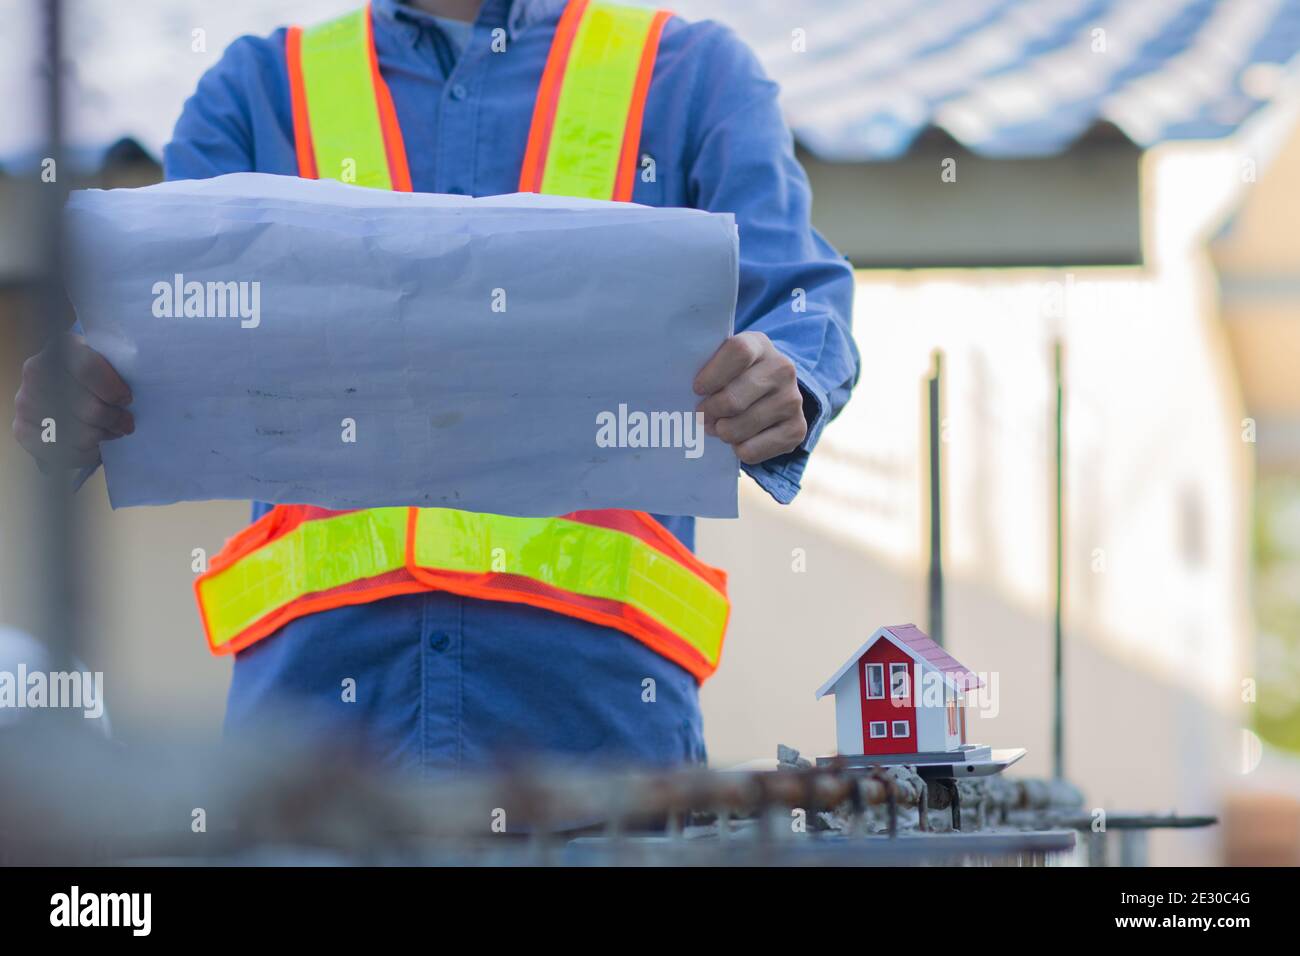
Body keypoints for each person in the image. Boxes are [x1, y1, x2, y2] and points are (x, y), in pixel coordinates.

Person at [11, 0, 858, 769]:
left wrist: (791, 381)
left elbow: (795, 299)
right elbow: (154, 329)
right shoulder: (257, 87)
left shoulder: (691, 75)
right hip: (315, 745)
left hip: (596, 732)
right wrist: (77, 395)